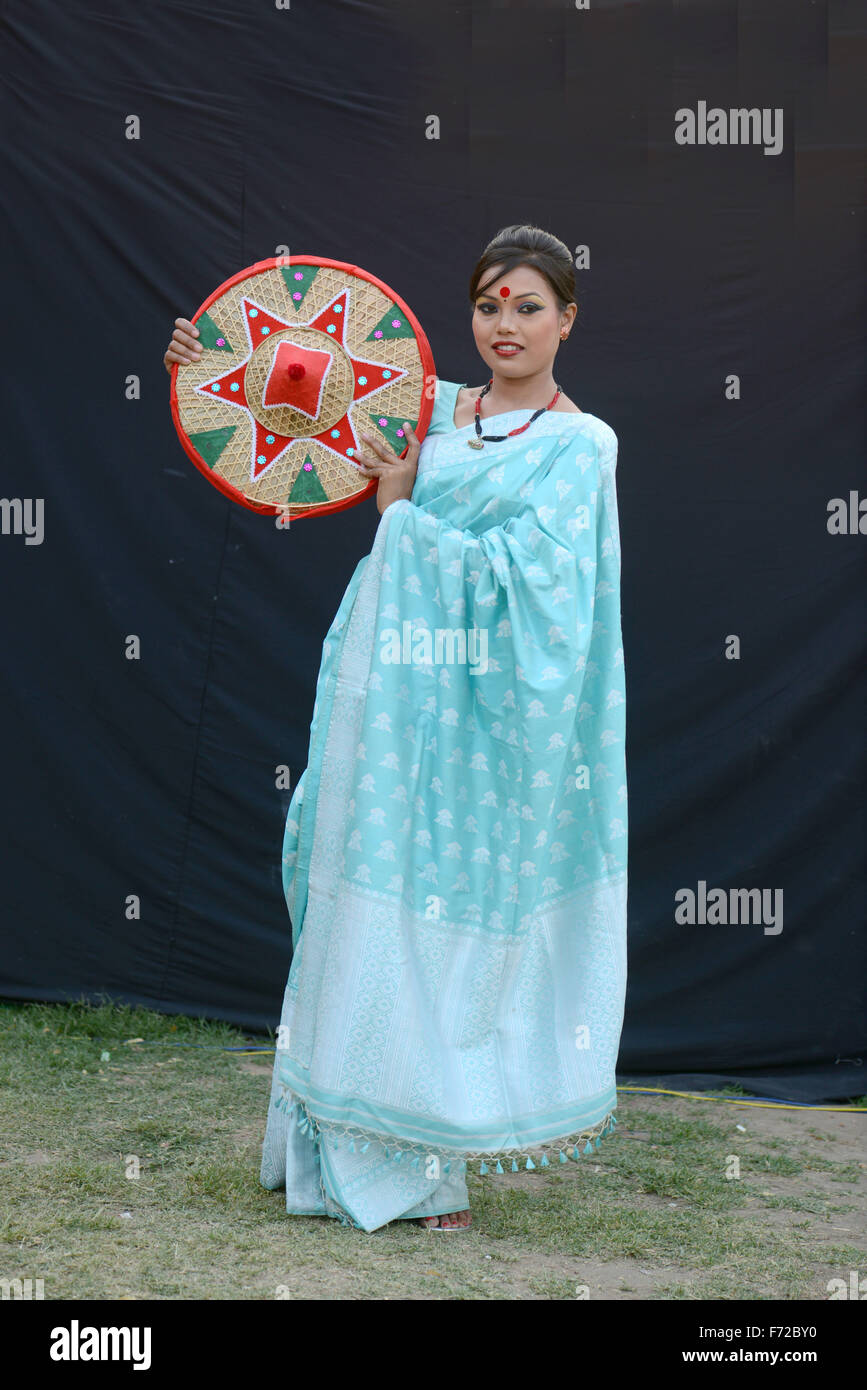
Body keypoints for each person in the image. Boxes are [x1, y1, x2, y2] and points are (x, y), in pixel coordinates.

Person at [164, 223, 627, 1233]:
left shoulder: (580, 448)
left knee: (435, 916)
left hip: (475, 722)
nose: (505, 324)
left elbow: (550, 601)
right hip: (384, 692)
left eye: (528, 305)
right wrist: (206, 361)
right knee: (351, 896)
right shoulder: (431, 406)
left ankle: (422, 1172)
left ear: (568, 319)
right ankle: (330, 1156)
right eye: (489, 304)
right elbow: (295, 391)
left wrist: (406, 515)